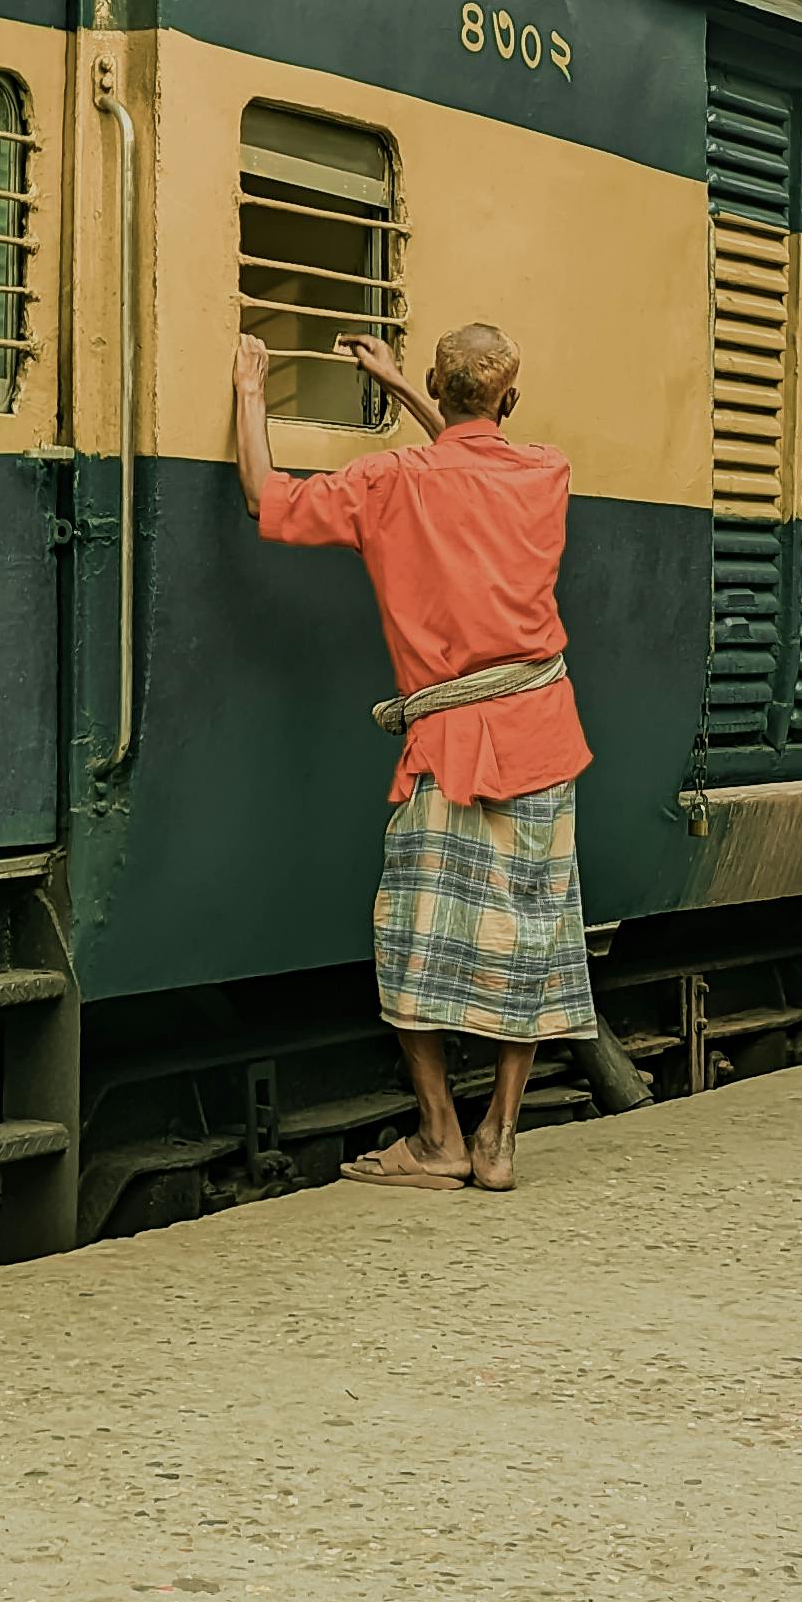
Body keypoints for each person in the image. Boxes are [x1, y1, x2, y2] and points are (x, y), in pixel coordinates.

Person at [232, 316, 594, 1195]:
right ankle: (499, 1137)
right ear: (510, 398)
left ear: (438, 390)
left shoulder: (390, 482)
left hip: (453, 744)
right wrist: (407, 390)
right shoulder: (545, 472)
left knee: (410, 939)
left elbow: (266, 501)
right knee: (530, 939)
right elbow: (477, 461)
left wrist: (251, 385)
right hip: (543, 734)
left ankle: (439, 1135)